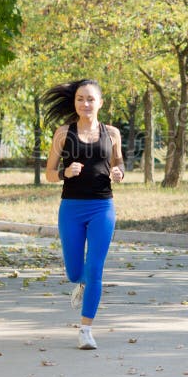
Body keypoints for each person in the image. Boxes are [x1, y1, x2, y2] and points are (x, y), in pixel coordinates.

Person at [43, 79, 125, 350]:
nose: (85, 103)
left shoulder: (111, 133)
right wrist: (65, 173)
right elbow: (49, 173)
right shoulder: (63, 133)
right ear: (75, 103)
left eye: (90, 99)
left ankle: (86, 329)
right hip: (72, 208)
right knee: (75, 271)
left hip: (102, 206)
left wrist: (119, 172)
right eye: (80, 99)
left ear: (100, 102)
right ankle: (81, 284)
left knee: (95, 268)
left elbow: (119, 162)